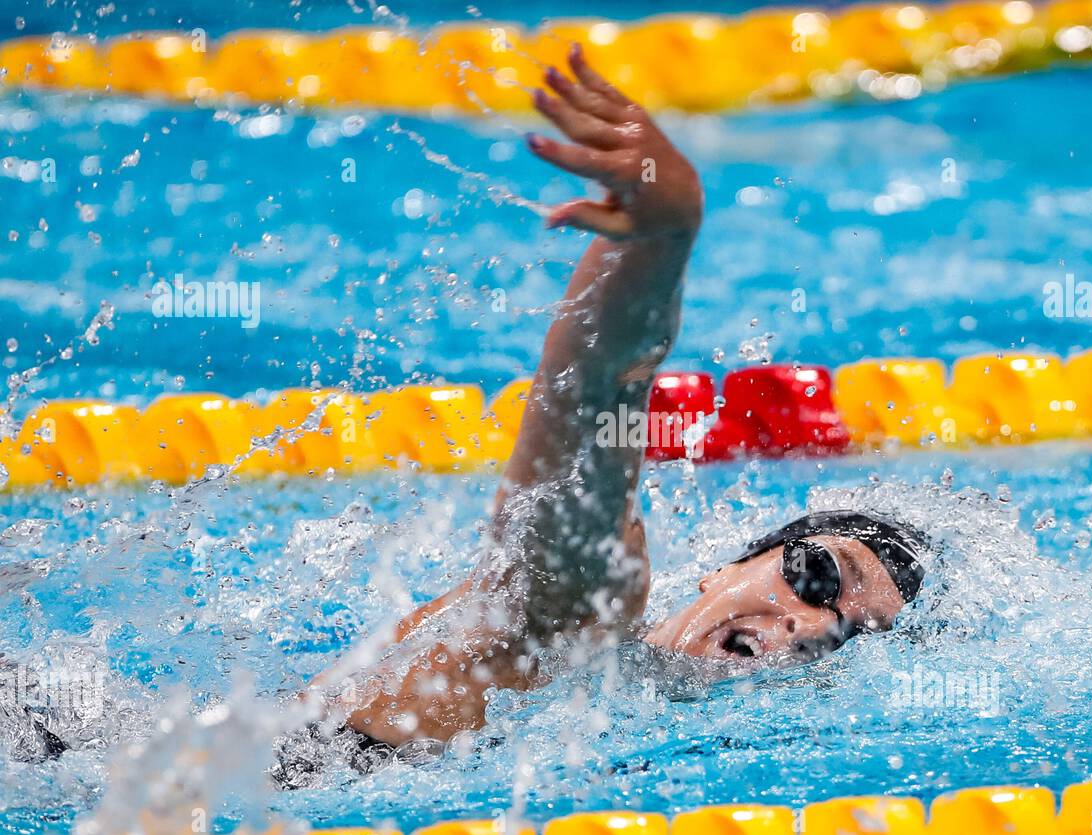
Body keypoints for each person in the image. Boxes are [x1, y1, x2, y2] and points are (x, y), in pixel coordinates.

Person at [308, 45, 930, 755]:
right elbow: (594, 399)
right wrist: (659, 243)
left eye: (853, 638)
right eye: (817, 575)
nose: (814, 626)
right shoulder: (572, 624)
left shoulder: (652, 733)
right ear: (727, 568)